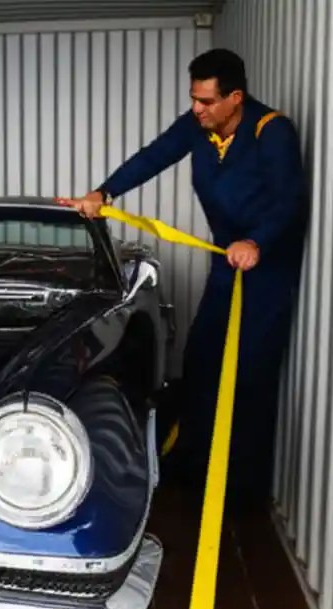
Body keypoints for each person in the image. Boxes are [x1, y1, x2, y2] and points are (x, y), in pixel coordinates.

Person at [58, 48, 306, 508]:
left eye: (206, 101)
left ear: (235, 97)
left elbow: (289, 199)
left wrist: (258, 243)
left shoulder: (270, 131)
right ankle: (193, 465)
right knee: (202, 364)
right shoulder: (198, 128)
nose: (196, 109)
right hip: (224, 264)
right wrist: (102, 191)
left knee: (249, 375)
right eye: (194, 98)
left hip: (264, 268)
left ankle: (241, 491)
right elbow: (153, 156)